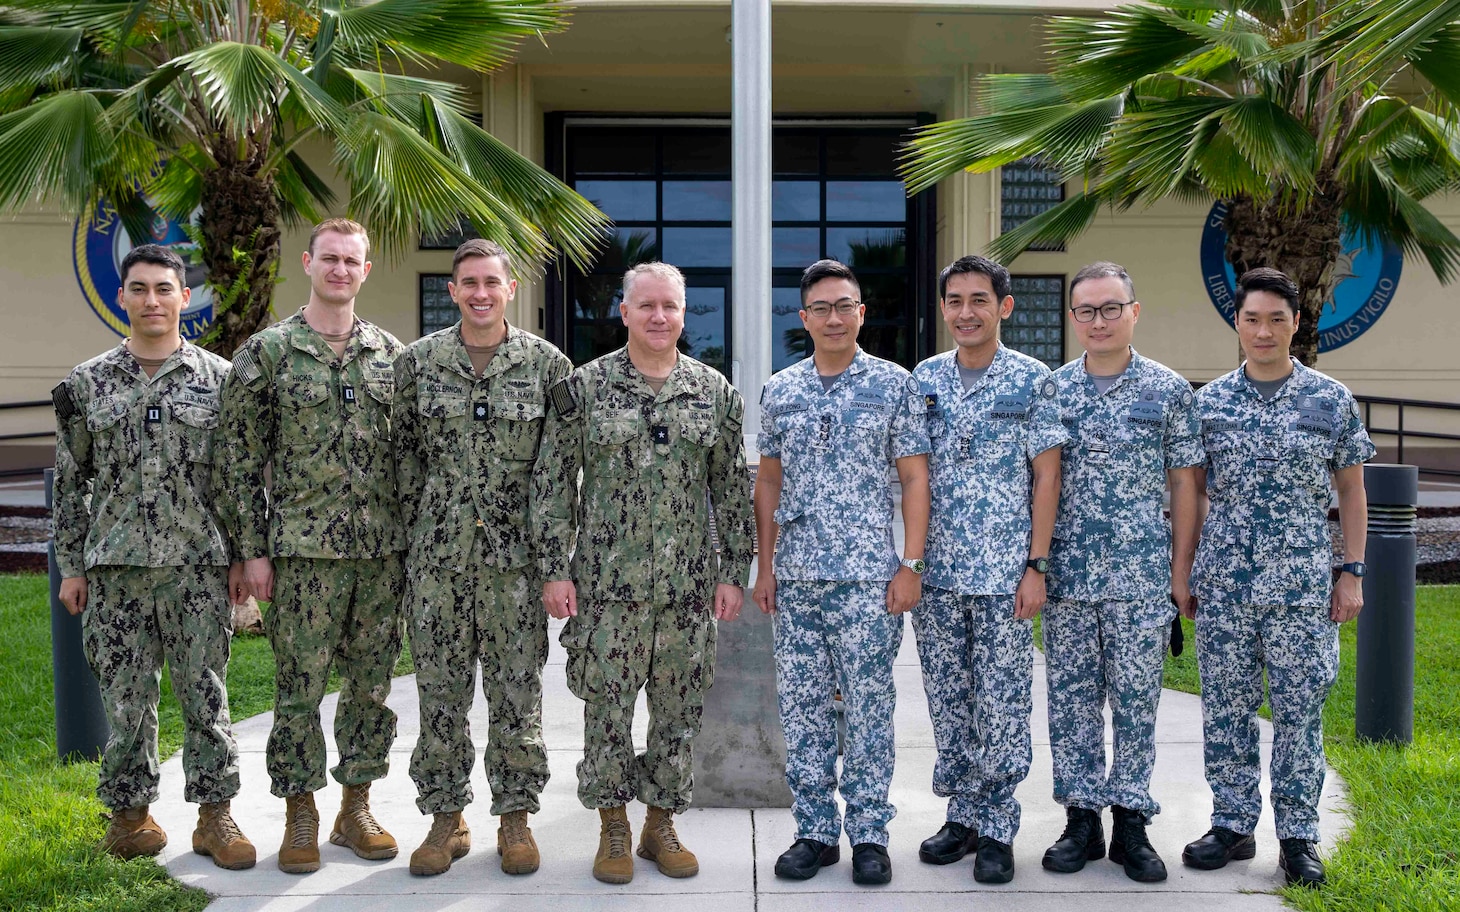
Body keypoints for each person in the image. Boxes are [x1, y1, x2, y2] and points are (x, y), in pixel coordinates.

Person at [533, 261, 754, 884]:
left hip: (686, 592)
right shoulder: (585, 387)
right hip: (606, 591)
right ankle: (613, 828)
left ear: (684, 315)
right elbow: (552, 485)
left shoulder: (714, 392)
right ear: (624, 312)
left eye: (671, 307)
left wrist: (732, 571)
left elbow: (731, 491)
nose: (660, 317)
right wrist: (556, 570)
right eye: (647, 306)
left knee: (678, 714)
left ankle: (660, 824)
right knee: (606, 711)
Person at [52, 244, 254, 869]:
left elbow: (237, 478)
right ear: (122, 297)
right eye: (139, 289)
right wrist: (72, 566)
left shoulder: (218, 381)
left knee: (205, 694)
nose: (152, 301)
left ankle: (215, 816)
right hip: (116, 573)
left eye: (164, 289)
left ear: (183, 297)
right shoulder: (87, 383)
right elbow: (69, 478)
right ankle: (130, 816)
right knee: (127, 700)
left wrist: (246, 558)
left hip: (197, 568)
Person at [215, 218, 406, 874]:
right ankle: (302, 811)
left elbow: (408, 457)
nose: (340, 270)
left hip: (380, 556)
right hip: (300, 555)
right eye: (330, 259)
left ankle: (356, 808)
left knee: (369, 688)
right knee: (298, 688)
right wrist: (253, 550)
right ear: (308, 262)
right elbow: (238, 457)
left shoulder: (390, 355)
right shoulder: (267, 353)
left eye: (352, 261)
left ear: (366, 269)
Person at [1182, 267, 1373, 888]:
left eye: (1277, 319)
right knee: (1226, 710)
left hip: (1302, 589)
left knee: (1298, 713)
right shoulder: (1207, 404)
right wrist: (1184, 572)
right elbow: (1194, 494)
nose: (1263, 331)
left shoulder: (1330, 399)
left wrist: (1351, 571)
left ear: (1297, 323)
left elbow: (1351, 490)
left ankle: (1298, 837)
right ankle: (1233, 825)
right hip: (1226, 586)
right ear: (1236, 323)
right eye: (1252, 319)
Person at [392, 239, 571, 876]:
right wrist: (411, 550)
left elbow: (555, 475)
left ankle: (515, 818)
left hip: (514, 570)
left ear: (510, 289)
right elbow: (402, 464)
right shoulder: (417, 365)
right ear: (454, 289)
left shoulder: (547, 367)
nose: (480, 294)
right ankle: (445, 819)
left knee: (517, 696)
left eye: (491, 282)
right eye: (468, 283)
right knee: (440, 695)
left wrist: (554, 566)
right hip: (437, 565)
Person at [753, 258, 931, 887]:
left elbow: (914, 477)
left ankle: (871, 833)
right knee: (803, 710)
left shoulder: (895, 385)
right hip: (798, 579)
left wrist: (910, 564)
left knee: (868, 708)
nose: (834, 317)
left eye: (845, 306)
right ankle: (814, 831)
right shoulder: (782, 389)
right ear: (803, 318)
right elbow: (768, 480)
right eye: (821, 308)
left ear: (861, 313)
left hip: (867, 578)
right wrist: (765, 565)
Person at [1040, 262, 1204, 883]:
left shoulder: (1167, 391)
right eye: (1087, 310)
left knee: (1137, 704)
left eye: (1112, 308)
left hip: (1140, 580)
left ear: (1135, 311)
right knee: (1072, 704)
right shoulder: (1053, 390)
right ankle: (1081, 820)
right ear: (1073, 318)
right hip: (1071, 577)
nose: (1099, 320)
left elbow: (1187, 484)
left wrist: (1179, 570)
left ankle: (1131, 821)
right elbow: (1041, 482)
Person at [910, 254, 1066, 884]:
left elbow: (1048, 476)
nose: (966, 312)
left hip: (1005, 574)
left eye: (980, 300)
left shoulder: (1033, 380)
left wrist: (1037, 565)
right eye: (955, 300)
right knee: (949, 700)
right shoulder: (924, 378)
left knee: (1002, 703)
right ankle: (963, 814)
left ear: (1004, 307)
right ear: (943, 308)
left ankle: (999, 824)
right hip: (939, 574)